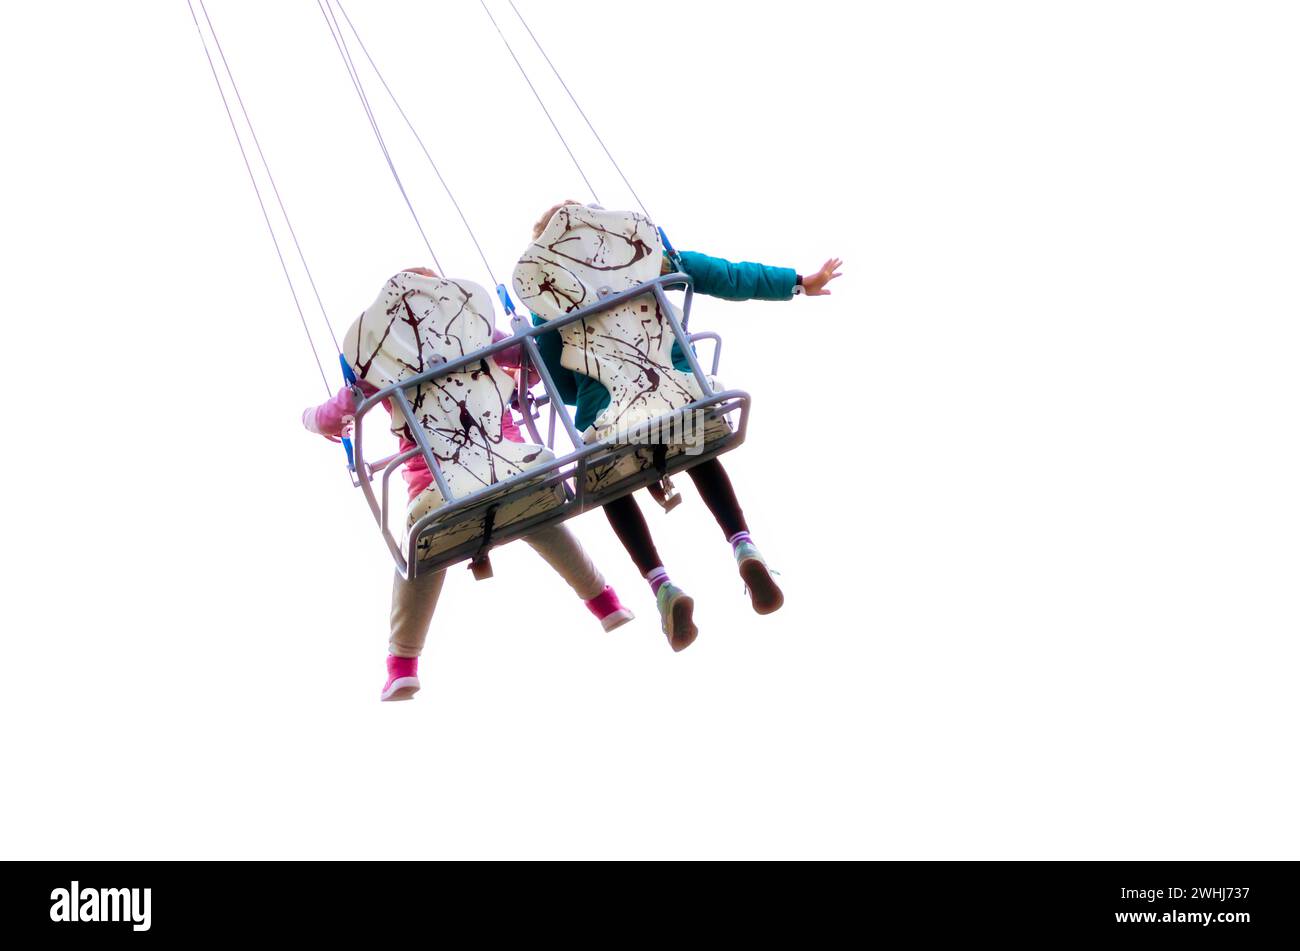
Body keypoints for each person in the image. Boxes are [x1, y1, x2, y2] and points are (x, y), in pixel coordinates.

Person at [304, 267, 633, 701]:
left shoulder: (375, 364)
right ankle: (603, 602)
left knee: (421, 556)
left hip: (439, 491)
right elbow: (527, 362)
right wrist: (512, 375)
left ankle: (402, 663)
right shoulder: (473, 332)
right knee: (542, 520)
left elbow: (336, 417)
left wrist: (310, 417)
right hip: (513, 465)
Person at [524, 203, 843, 651]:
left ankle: (661, 585)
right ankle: (743, 545)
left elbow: (561, 383)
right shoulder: (649, 256)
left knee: (610, 485)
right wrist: (796, 283)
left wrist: (594, 389)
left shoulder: (546, 305)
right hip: (677, 396)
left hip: (609, 422)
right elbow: (725, 275)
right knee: (696, 446)